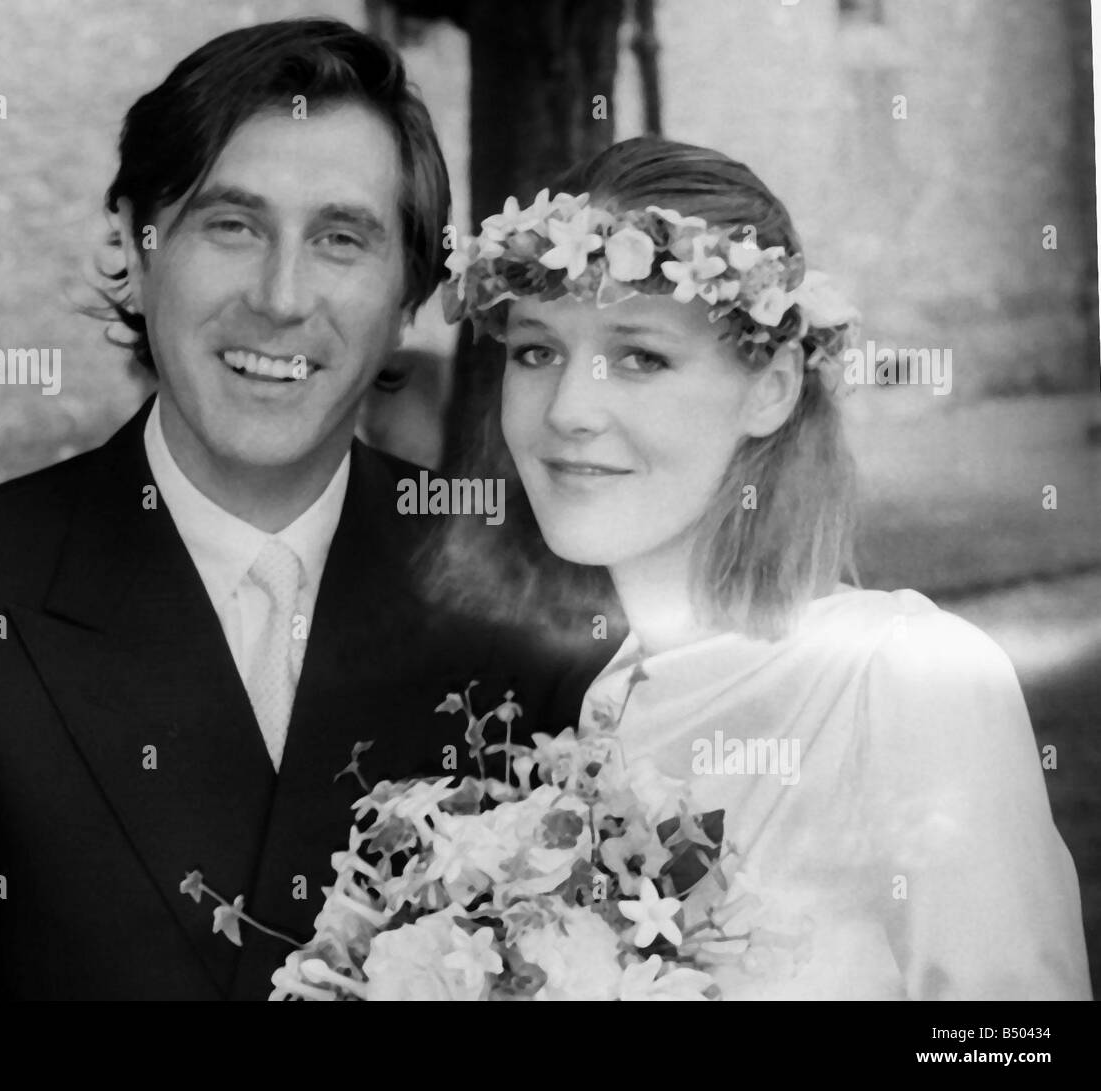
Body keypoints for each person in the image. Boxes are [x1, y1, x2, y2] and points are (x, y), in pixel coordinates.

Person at [0, 19, 603, 1000]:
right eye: (234, 225)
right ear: (136, 251)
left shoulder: (521, 599)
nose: (279, 295)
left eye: (341, 239)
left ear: (409, 294)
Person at [431, 135, 1092, 999]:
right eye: (537, 351)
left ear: (771, 387)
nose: (569, 410)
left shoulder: (900, 675)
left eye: (640, 356)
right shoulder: (606, 702)